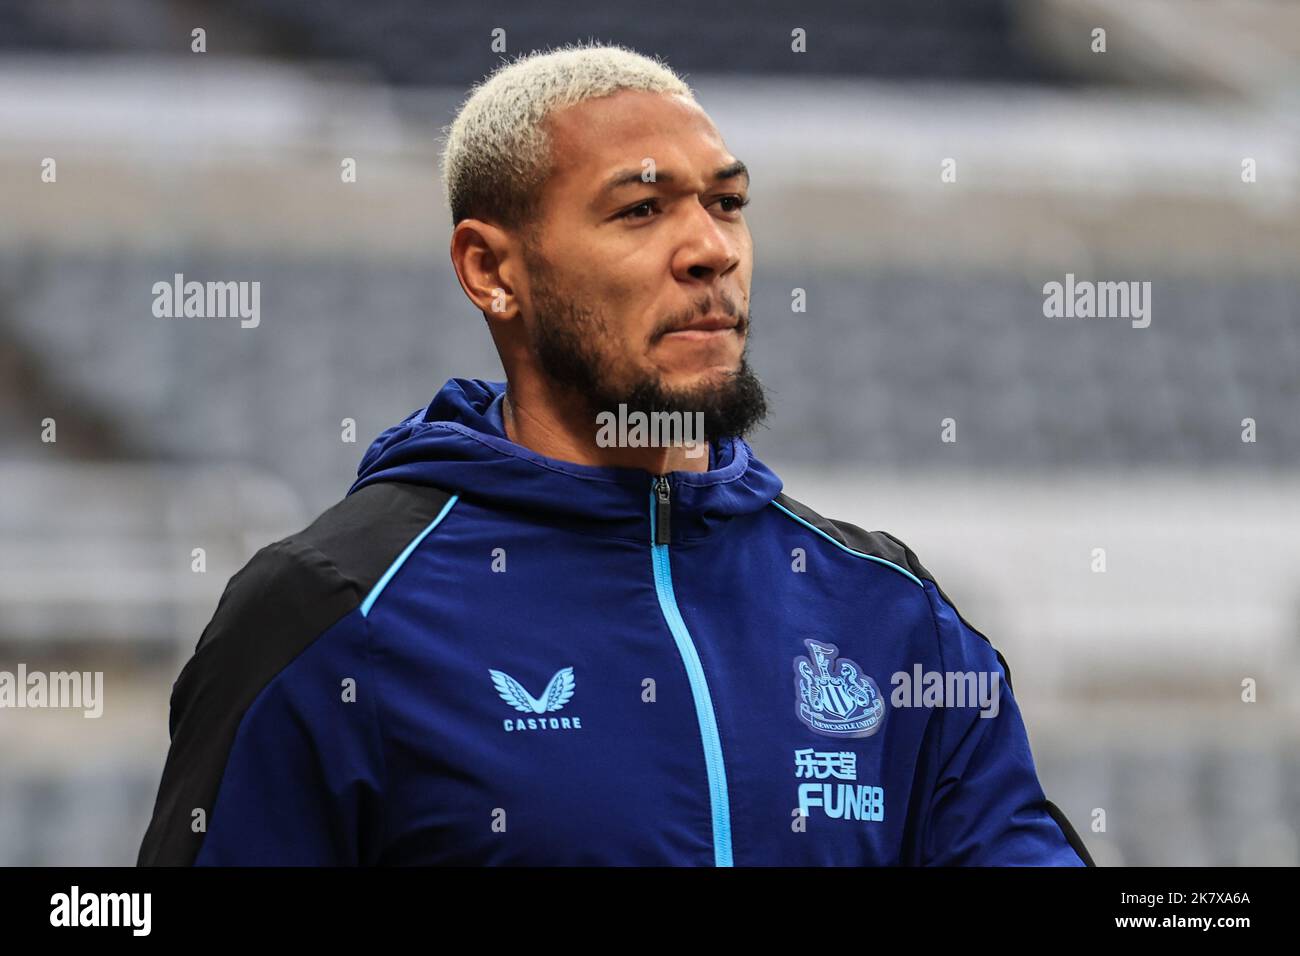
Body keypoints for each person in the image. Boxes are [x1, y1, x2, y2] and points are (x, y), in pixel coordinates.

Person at [137, 42, 1092, 867]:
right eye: (642, 210)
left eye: (727, 202)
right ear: (491, 270)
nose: (711, 249)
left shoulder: (891, 613)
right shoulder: (332, 612)